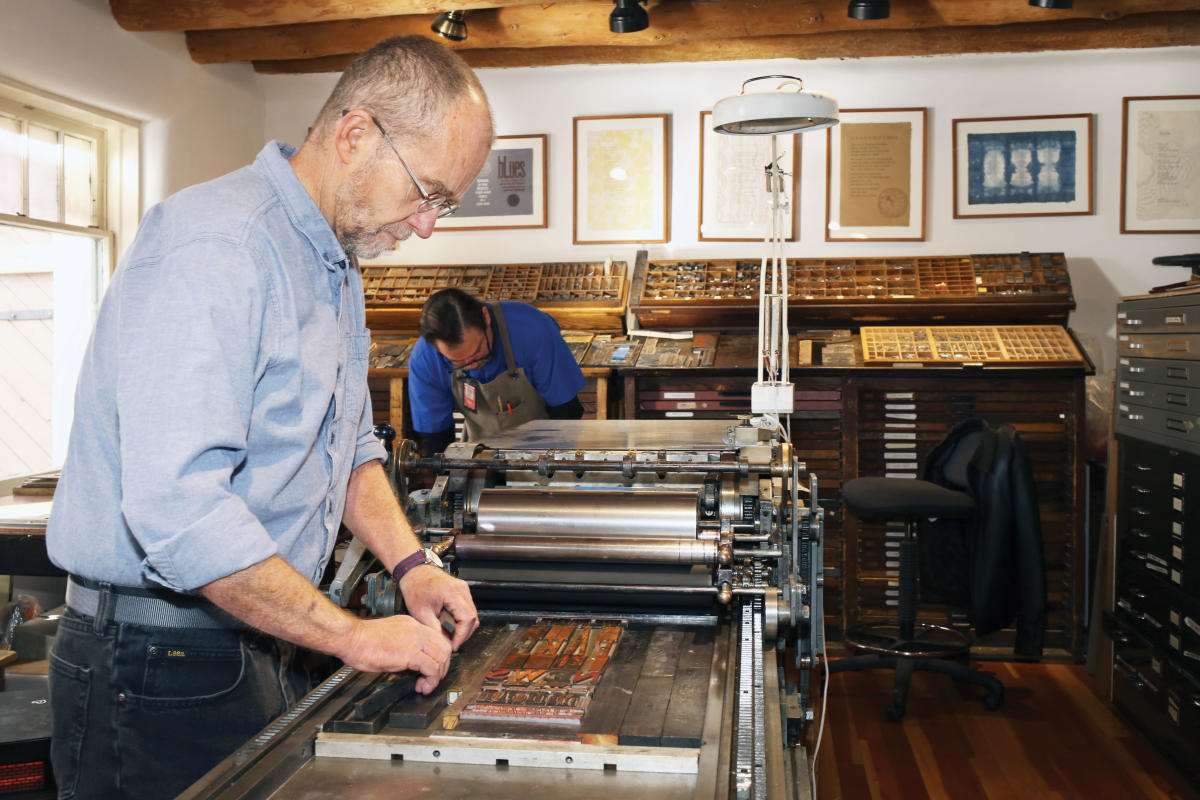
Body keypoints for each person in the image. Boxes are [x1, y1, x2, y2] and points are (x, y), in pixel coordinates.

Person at [44, 36, 493, 800]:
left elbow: (347, 449)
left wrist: (412, 566)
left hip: (260, 637)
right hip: (158, 663)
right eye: (428, 192)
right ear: (355, 135)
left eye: (443, 204)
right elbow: (180, 512)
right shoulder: (218, 245)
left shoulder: (335, 262)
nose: (427, 226)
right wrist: (351, 635)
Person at [407, 287, 587, 454]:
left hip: (545, 450)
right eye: (458, 361)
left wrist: (559, 468)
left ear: (485, 317)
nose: (472, 365)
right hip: (481, 455)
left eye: (477, 352)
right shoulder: (425, 359)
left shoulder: (533, 330)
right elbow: (437, 440)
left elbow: (566, 413)